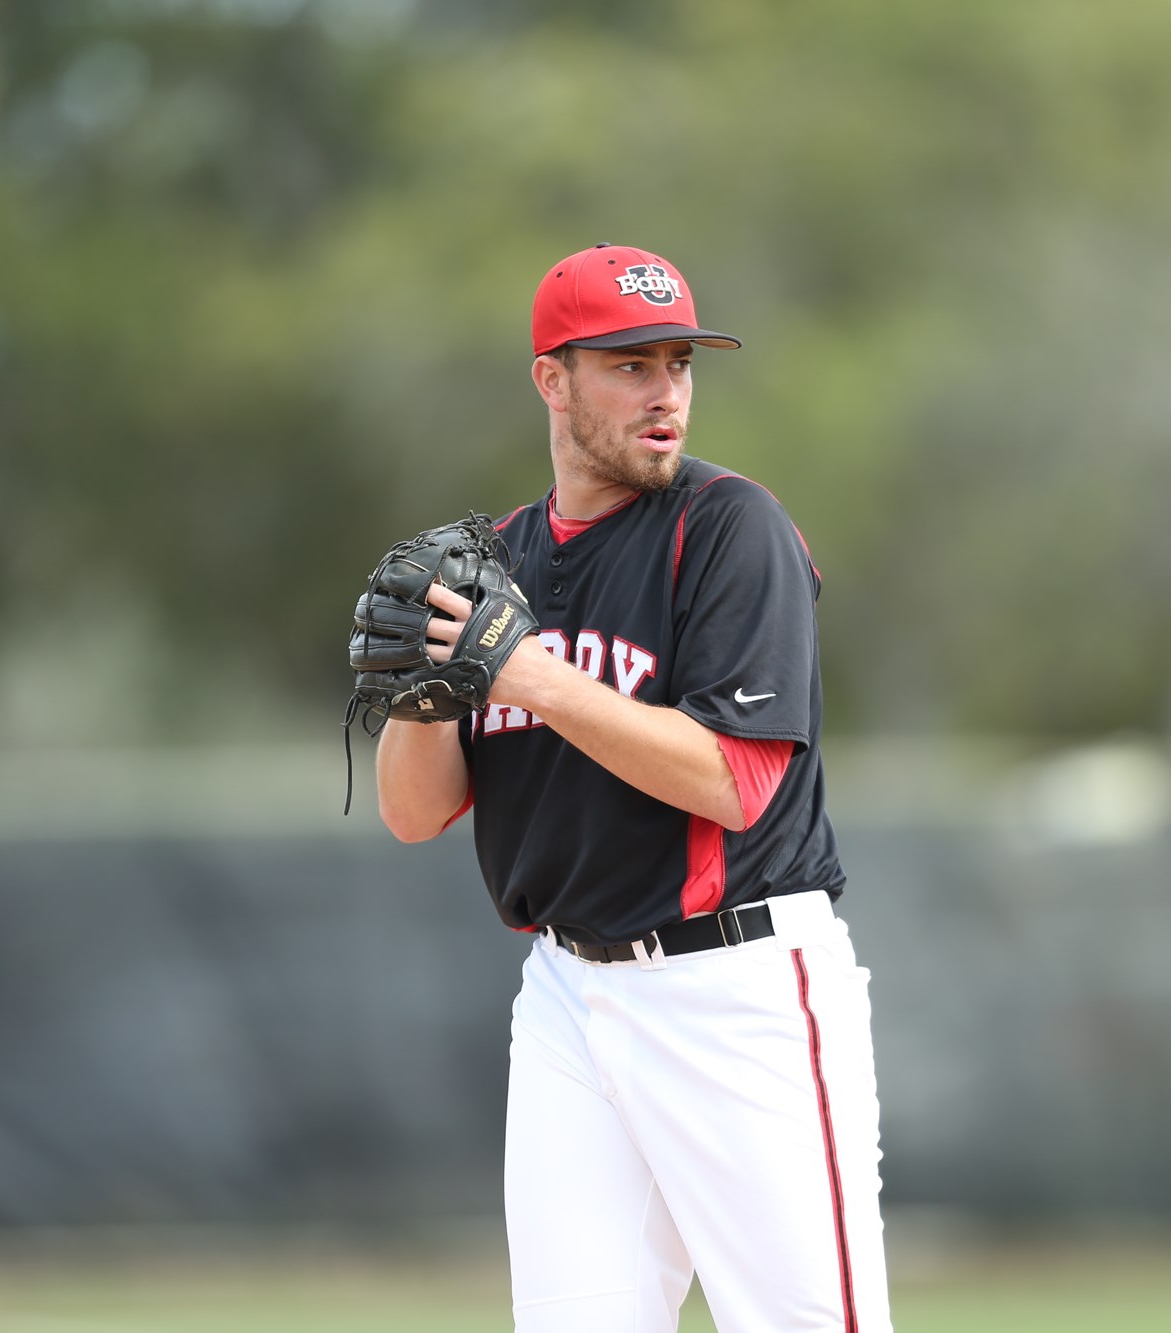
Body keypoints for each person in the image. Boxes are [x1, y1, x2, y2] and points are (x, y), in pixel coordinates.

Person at [373, 242, 891, 1332]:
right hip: (567, 996)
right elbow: (413, 813)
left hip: (737, 989)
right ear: (551, 380)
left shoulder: (729, 528)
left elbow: (734, 780)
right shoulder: (493, 562)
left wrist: (528, 674)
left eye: (679, 363)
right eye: (629, 364)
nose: (666, 393)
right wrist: (421, 691)